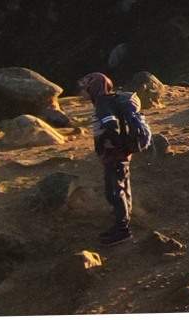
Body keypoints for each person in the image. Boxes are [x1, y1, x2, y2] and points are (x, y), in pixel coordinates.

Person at [80, 72, 133, 246]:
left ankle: (123, 230)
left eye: (86, 88)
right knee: (118, 189)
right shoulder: (109, 100)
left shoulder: (103, 102)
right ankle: (121, 224)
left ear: (93, 88)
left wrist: (108, 143)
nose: (83, 91)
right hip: (119, 154)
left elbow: (111, 125)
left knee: (115, 192)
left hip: (115, 156)